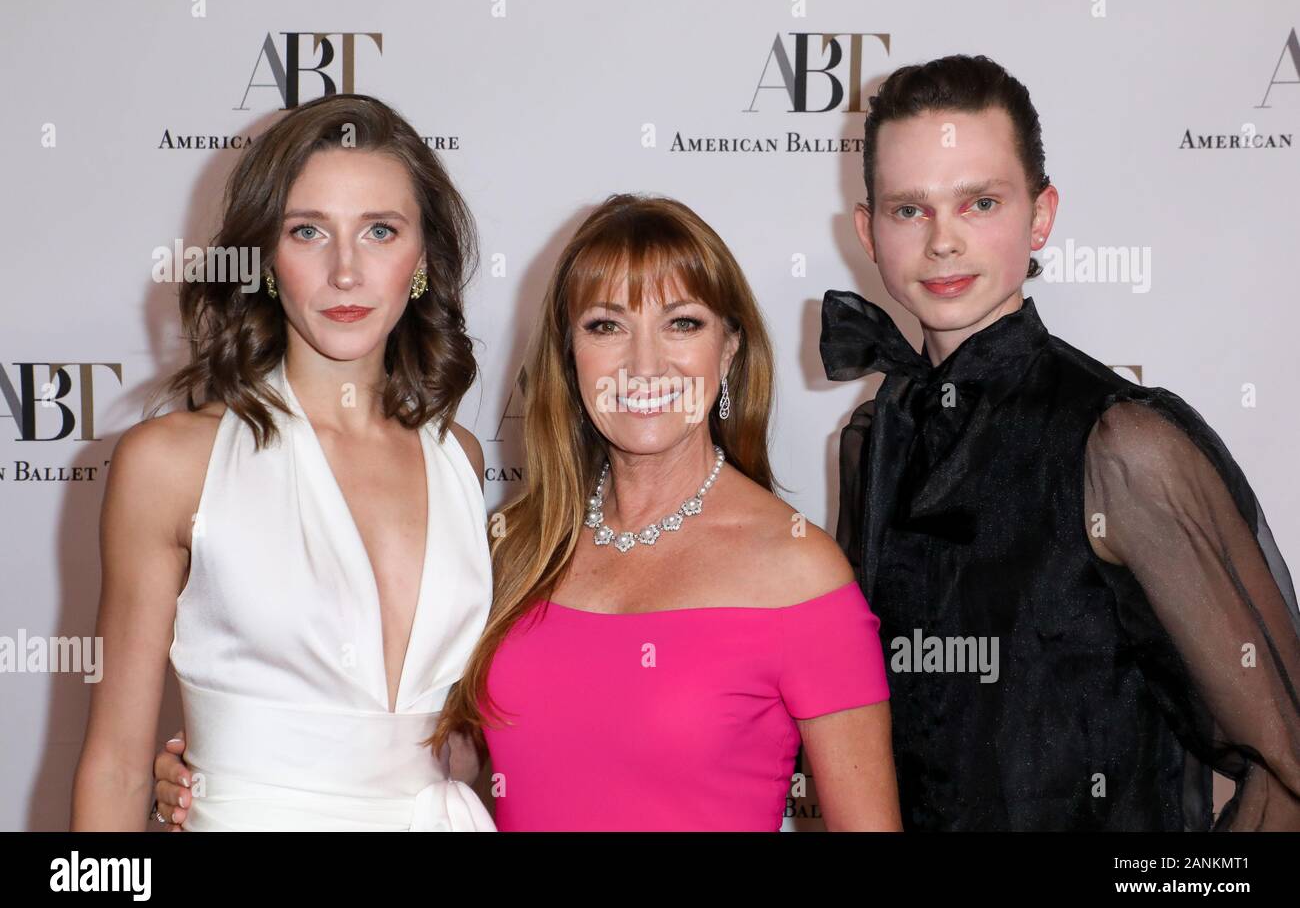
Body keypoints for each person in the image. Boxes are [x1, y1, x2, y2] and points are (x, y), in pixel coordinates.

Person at [155, 193, 902, 831]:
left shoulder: (797, 570)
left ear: (730, 349)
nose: (644, 364)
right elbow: (441, 760)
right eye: (606, 325)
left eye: (682, 323)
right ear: (569, 355)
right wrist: (239, 762)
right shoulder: (514, 546)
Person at [819, 53, 1300, 830]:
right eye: (911, 210)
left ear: (1040, 216)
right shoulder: (877, 435)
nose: (943, 242)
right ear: (869, 232)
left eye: (979, 202)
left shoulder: (1121, 443)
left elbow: (1286, 765)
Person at [71, 93, 495, 831]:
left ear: (421, 260)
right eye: (308, 231)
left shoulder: (459, 458)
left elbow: (444, 741)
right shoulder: (169, 464)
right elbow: (112, 766)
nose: (345, 272)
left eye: (380, 232)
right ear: (264, 258)